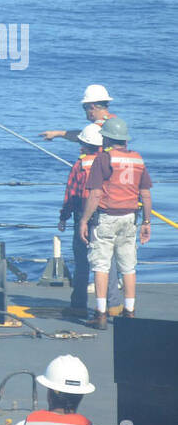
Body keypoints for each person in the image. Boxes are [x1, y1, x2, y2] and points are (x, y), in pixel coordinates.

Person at [79, 117, 153, 326]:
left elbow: (95, 194)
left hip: (106, 218)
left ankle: (100, 313)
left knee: (101, 265)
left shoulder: (103, 159)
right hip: (130, 219)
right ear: (125, 140)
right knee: (128, 267)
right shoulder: (138, 159)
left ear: (107, 140)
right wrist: (146, 222)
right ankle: (129, 311)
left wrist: (84, 220)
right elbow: (145, 195)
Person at [58, 125, 121, 317]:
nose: (80, 147)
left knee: (82, 263)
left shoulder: (81, 164)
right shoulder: (110, 161)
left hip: (84, 217)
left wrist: (64, 216)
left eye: (82, 144)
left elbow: (73, 193)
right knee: (107, 262)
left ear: (85, 145)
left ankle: (78, 305)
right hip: (108, 216)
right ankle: (114, 306)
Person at [40, 84, 116, 143]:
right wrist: (56, 133)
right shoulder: (115, 122)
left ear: (92, 107)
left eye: (84, 107)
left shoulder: (100, 127)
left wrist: (57, 134)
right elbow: (83, 135)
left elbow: (84, 137)